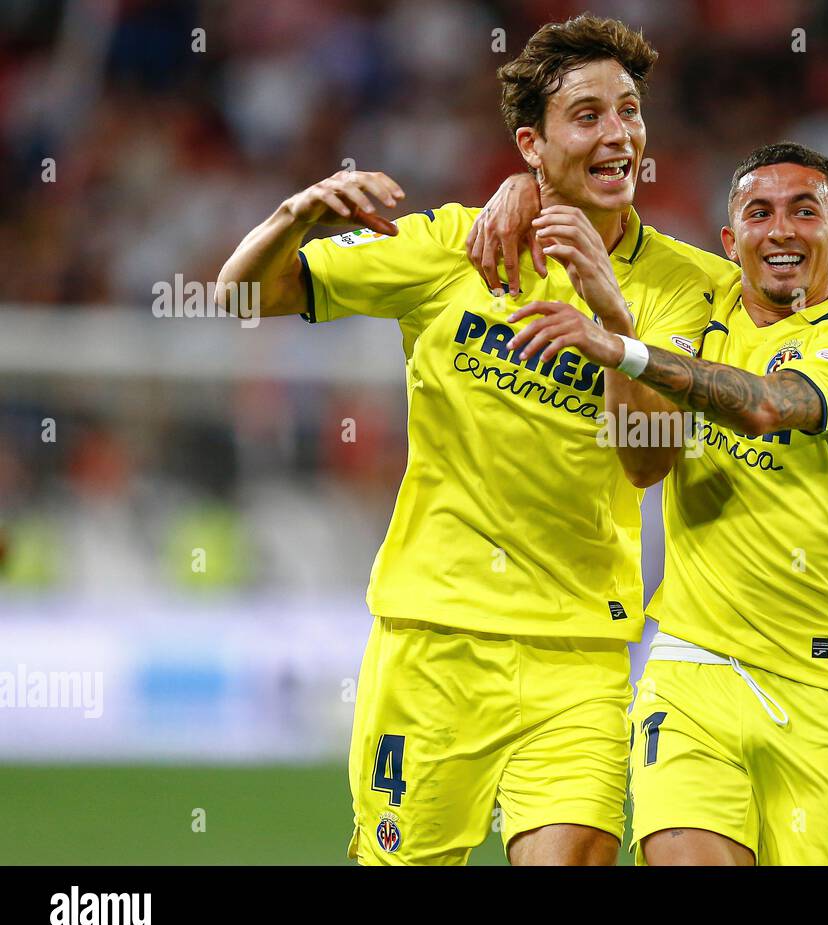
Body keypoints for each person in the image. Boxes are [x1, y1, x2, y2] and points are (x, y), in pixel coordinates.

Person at [215, 15, 715, 866]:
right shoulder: (455, 246)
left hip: (581, 646)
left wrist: (612, 316)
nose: (619, 134)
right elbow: (235, 299)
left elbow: (646, 462)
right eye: (588, 115)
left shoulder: (690, 285)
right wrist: (296, 214)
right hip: (433, 635)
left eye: (629, 111)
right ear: (533, 142)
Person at [500, 142, 828, 864]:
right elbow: (604, 214)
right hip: (691, 668)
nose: (780, 230)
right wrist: (520, 191)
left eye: (804, 211)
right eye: (759, 213)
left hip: (820, 685)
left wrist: (625, 351)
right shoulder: (698, 303)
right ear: (730, 241)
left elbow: (769, 408)